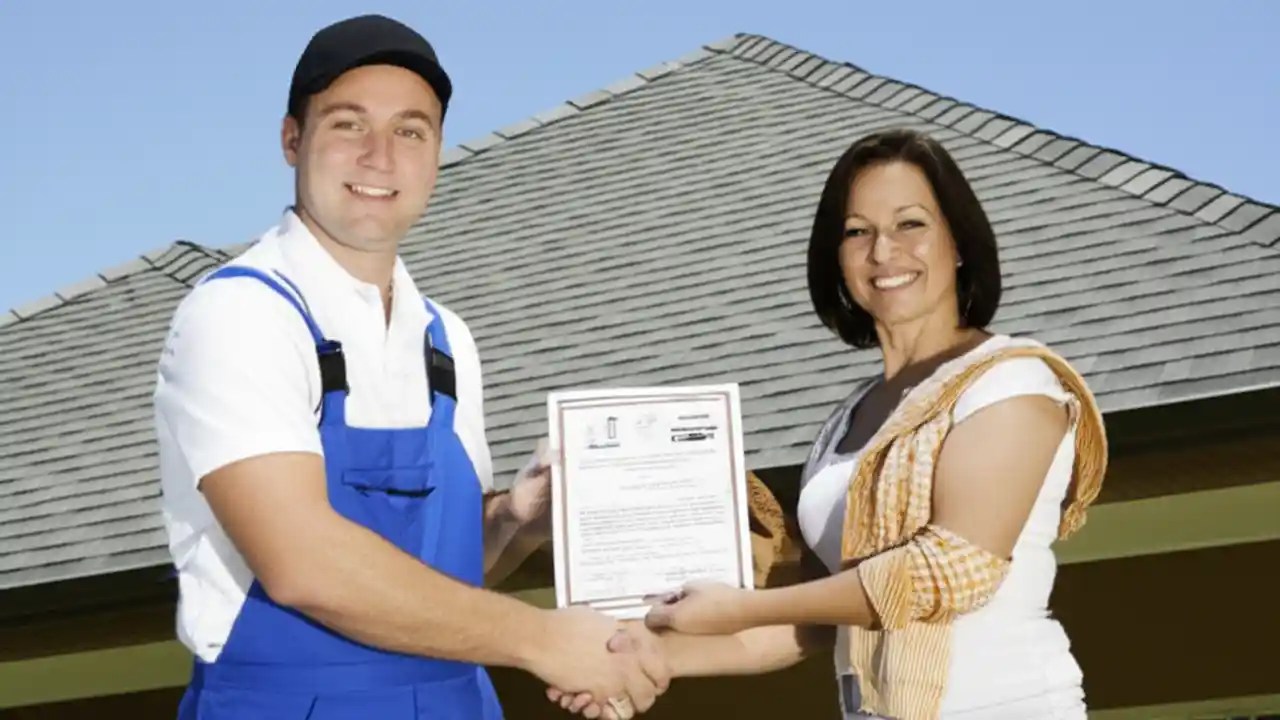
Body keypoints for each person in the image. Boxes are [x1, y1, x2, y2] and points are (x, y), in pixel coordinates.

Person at [154, 14, 665, 720]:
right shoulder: (241, 315)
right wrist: (543, 638)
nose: (380, 157)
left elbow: (439, 579)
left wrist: (516, 521)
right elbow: (305, 564)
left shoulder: (445, 340)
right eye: (348, 125)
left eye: (410, 131)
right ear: (291, 139)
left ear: (435, 152)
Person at [549, 128, 1108, 719]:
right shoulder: (847, 422)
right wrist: (649, 657)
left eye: (910, 224)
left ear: (959, 241)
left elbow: (945, 571)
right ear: (836, 258)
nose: (884, 251)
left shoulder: (1010, 382)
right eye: (857, 231)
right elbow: (810, 622)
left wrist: (739, 607)